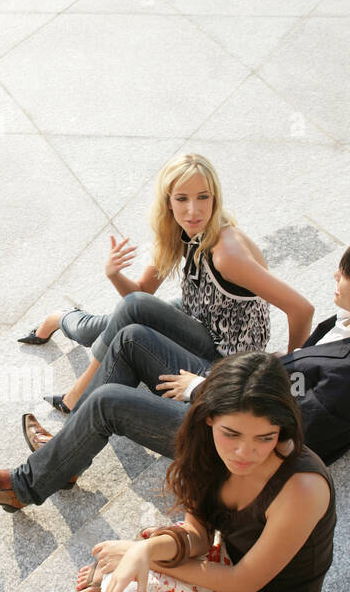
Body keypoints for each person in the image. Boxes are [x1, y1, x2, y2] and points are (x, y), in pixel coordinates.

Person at [0, 231, 350, 510]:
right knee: (130, 339)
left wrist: (202, 390)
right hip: (243, 386)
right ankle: (66, 462)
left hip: (235, 446)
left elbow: (286, 437)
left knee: (109, 403)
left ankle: (24, 487)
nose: (335, 277)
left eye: (344, 275)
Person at [85, 353, 335, 592]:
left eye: (266, 437)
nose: (245, 452)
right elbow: (197, 536)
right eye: (231, 433)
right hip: (224, 560)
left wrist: (140, 552)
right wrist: (147, 551)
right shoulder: (205, 449)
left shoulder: (302, 487)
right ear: (208, 419)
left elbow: (243, 581)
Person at [18, 153, 313, 413]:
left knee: (127, 315)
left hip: (224, 349)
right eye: (182, 199)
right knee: (113, 321)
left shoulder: (227, 253)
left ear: (215, 198)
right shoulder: (180, 230)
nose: (193, 211)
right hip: (198, 315)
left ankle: (75, 397)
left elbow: (302, 309)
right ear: (169, 202)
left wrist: (290, 366)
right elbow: (142, 291)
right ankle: (58, 319)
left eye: (203, 197)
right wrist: (114, 274)